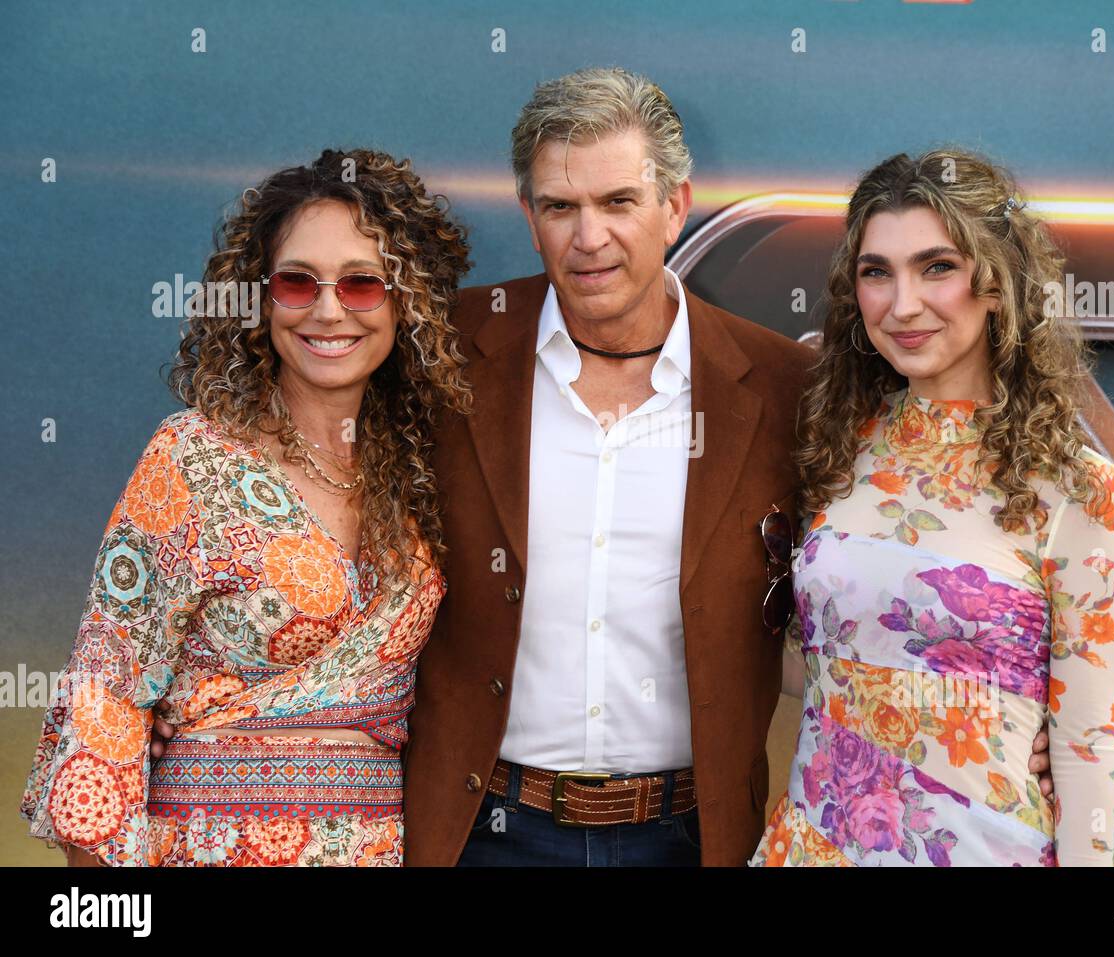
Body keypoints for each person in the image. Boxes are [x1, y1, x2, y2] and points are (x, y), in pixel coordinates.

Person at [401, 71, 1056, 867]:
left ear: (675, 206)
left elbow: (876, 578)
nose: (589, 237)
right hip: (480, 832)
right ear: (529, 218)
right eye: (559, 207)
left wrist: (1009, 714)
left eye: (618, 202)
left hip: (691, 838)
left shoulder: (783, 388)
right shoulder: (444, 354)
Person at [20, 148, 471, 866]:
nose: (328, 309)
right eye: (298, 282)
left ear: (406, 301)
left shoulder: (425, 476)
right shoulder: (191, 460)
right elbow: (104, 701)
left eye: (362, 284)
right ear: (261, 301)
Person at [751, 149, 1114, 867]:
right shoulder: (834, 450)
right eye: (877, 272)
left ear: (997, 284)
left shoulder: (1076, 489)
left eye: (937, 267)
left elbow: (1088, 752)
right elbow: (817, 658)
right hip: (815, 846)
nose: (903, 304)